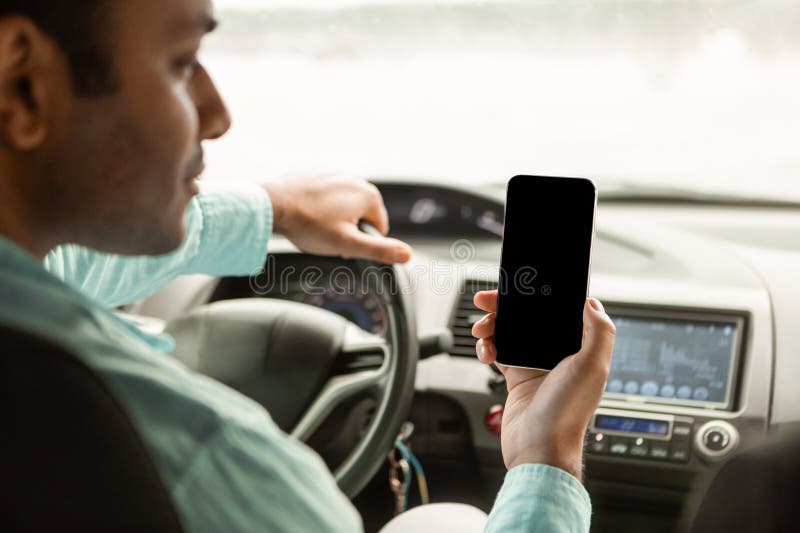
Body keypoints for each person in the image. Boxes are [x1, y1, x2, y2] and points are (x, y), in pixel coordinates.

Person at [0, 0, 616, 531]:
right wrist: (547, 458)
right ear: (23, 85)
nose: (218, 116)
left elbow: (67, 262)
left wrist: (275, 209)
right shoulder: (204, 461)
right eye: (182, 62)